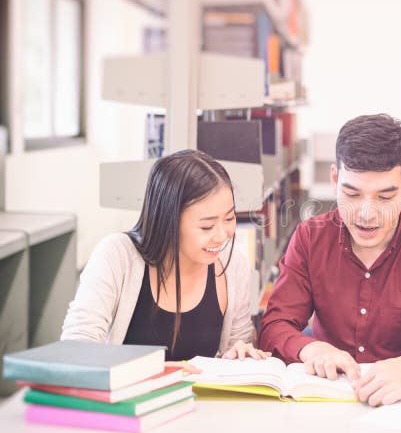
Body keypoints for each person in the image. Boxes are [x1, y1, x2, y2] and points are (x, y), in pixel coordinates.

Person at [259, 114, 401, 406]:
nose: (366, 214)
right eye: (352, 193)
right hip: (329, 402)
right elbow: (275, 326)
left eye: (385, 197)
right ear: (335, 179)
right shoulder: (310, 238)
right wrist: (312, 350)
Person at [62, 149, 268, 367]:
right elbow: (77, 347)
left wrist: (240, 352)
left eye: (229, 218)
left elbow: (237, 345)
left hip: (201, 400)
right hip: (130, 397)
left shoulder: (233, 265)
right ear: (168, 220)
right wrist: (170, 371)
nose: (222, 235)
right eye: (207, 226)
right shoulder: (116, 255)